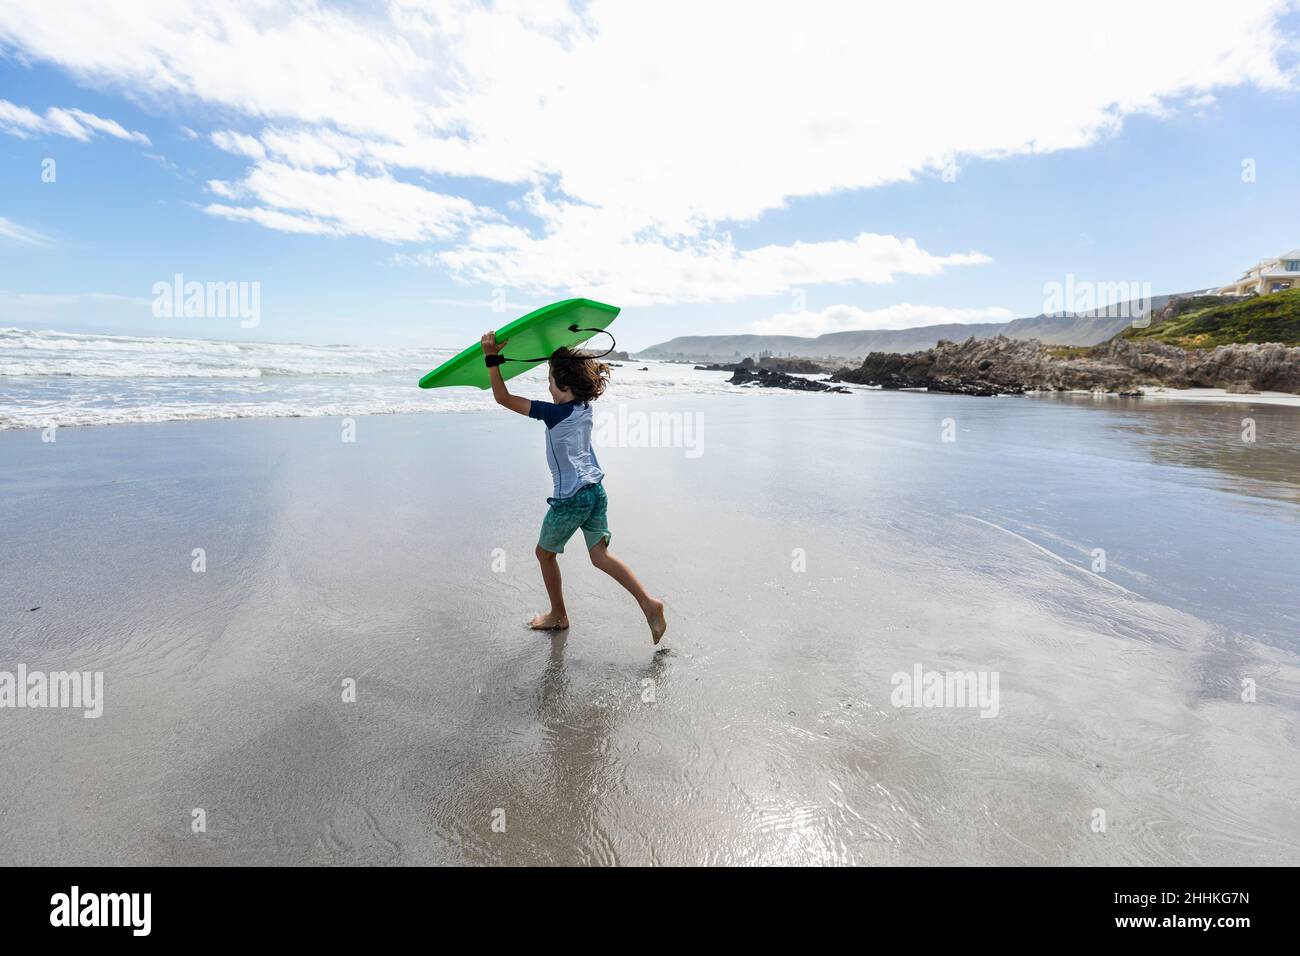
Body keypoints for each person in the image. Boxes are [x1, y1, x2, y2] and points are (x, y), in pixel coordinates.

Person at [481, 331, 667, 645]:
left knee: (544, 554)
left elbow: (502, 397)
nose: (548, 388)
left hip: (571, 499)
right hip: (596, 491)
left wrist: (492, 358)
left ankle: (558, 614)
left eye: (550, 382)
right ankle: (649, 603)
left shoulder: (553, 413)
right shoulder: (584, 408)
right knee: (600, 556)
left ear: (564, 386)